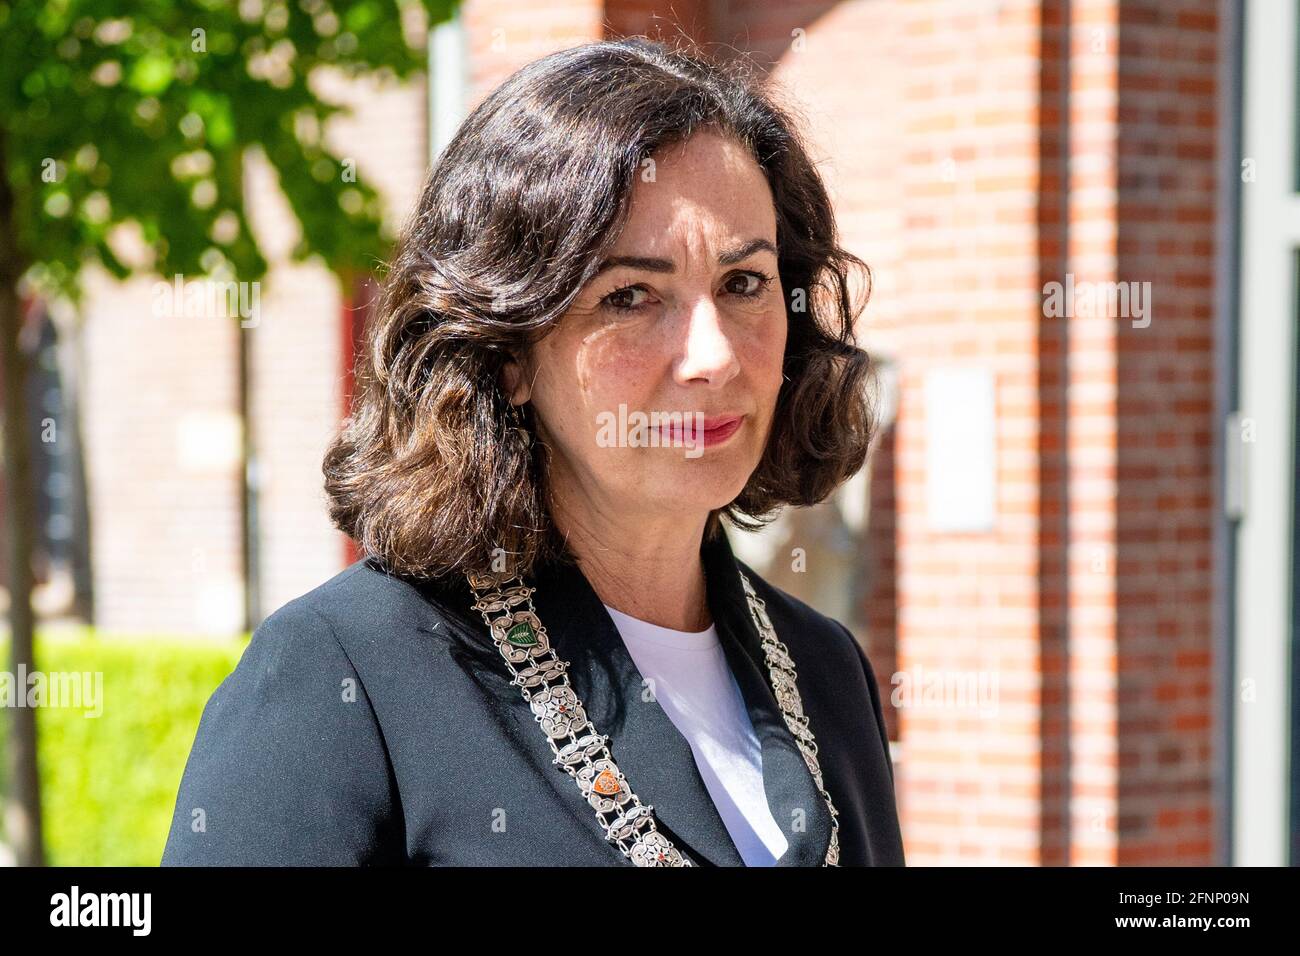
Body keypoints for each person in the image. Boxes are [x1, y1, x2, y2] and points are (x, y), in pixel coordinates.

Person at [161, 36, 904, 867]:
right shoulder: (346, 675)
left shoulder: (826, 670)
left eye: (744, 283)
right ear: (507, 353)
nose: (716, 355)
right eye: (631, 296)